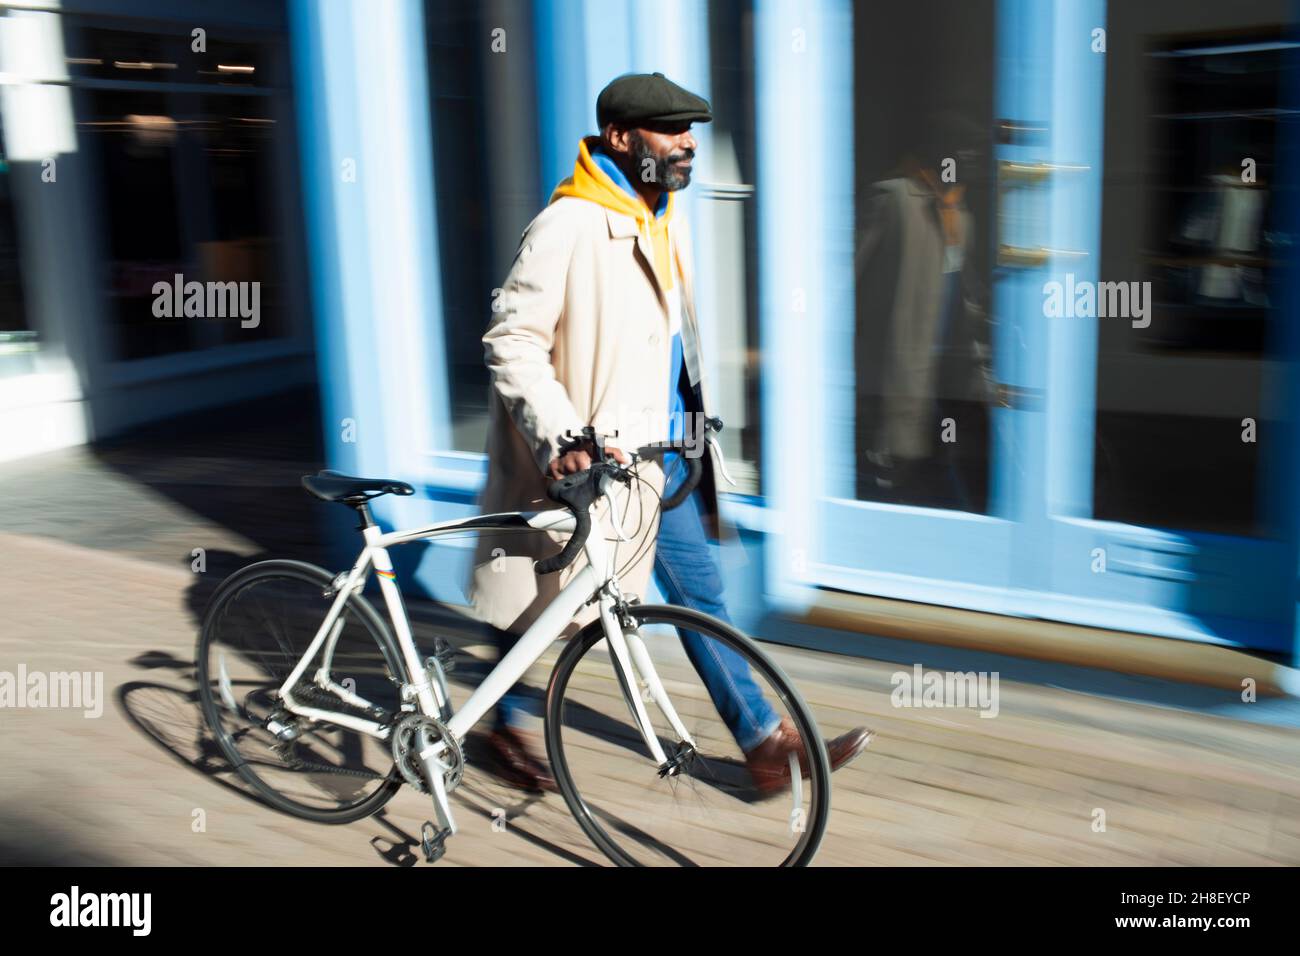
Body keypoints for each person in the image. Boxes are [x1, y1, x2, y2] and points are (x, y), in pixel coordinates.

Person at [468, 71, 872, 794]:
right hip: (592, 457)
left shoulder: (656, 213)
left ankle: (763, 744)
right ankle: (501, 719)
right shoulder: (568, 226)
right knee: (545, 601)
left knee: (698, 594)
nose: (688, 145)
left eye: (692, 132)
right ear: (622, 139)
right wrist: (564, 436)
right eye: (671, 131)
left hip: (660, 453)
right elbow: (512, 341)